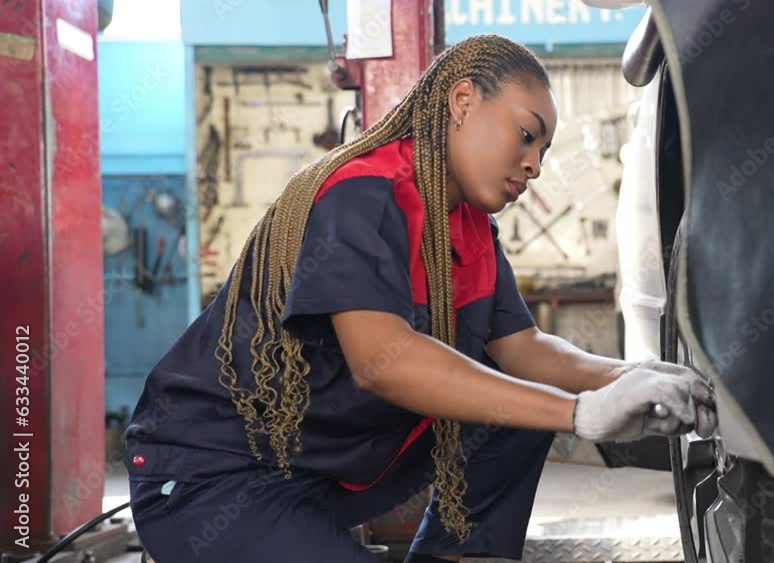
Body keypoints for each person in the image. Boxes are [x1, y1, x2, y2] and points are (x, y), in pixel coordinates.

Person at [124, 34, 717, 563]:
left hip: (315, 479)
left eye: (543, 150)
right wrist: (579, 414)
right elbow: (386, 361)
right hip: (214, 483)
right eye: (527, 135)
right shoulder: (362, 194)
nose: (534, 165)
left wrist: (634, 376)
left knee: (518, 402)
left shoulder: (468, 226)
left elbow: (524, 350)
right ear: (462, 103)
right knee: (536, 403)